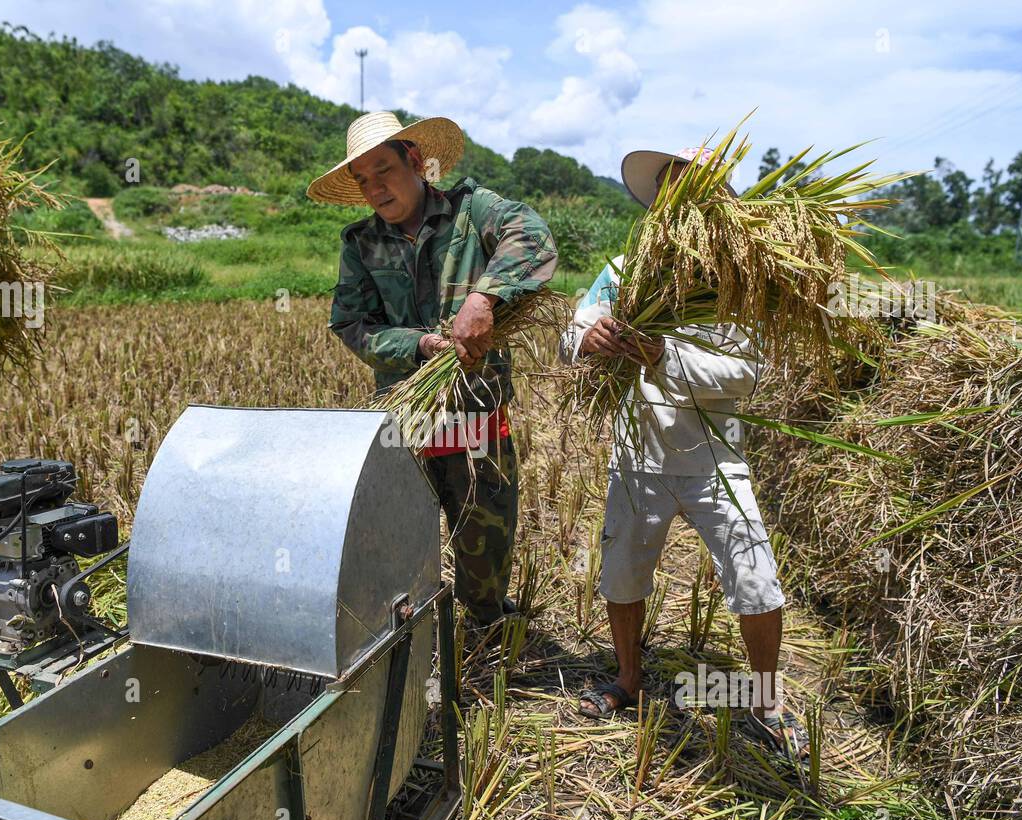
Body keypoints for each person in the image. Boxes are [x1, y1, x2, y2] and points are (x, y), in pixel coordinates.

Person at [558, 146, 807, 761]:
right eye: (670, 192)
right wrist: (586, 338)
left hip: (715, 461)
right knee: (622, 572)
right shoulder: (623, 274)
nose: (680, 204)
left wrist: (660, 357)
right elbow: (570, 336)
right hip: (638, 454)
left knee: (755, 579)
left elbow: (747, 373)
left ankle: (766, 701)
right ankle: (627, 681)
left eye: (694, 191)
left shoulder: (737, 286)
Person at [310, 110, 558, 633]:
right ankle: (410, 648)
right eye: (363, 180)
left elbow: (533, 237)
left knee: (485, 547)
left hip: (476, 418)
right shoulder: (361, 245)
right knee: (402, 548)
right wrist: (420, 344)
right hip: (408, 418)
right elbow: (352, 324)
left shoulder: (473, 212)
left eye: (385, 170)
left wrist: (485, 297)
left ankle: (486, 632)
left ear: (417, 162)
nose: (375, 188)